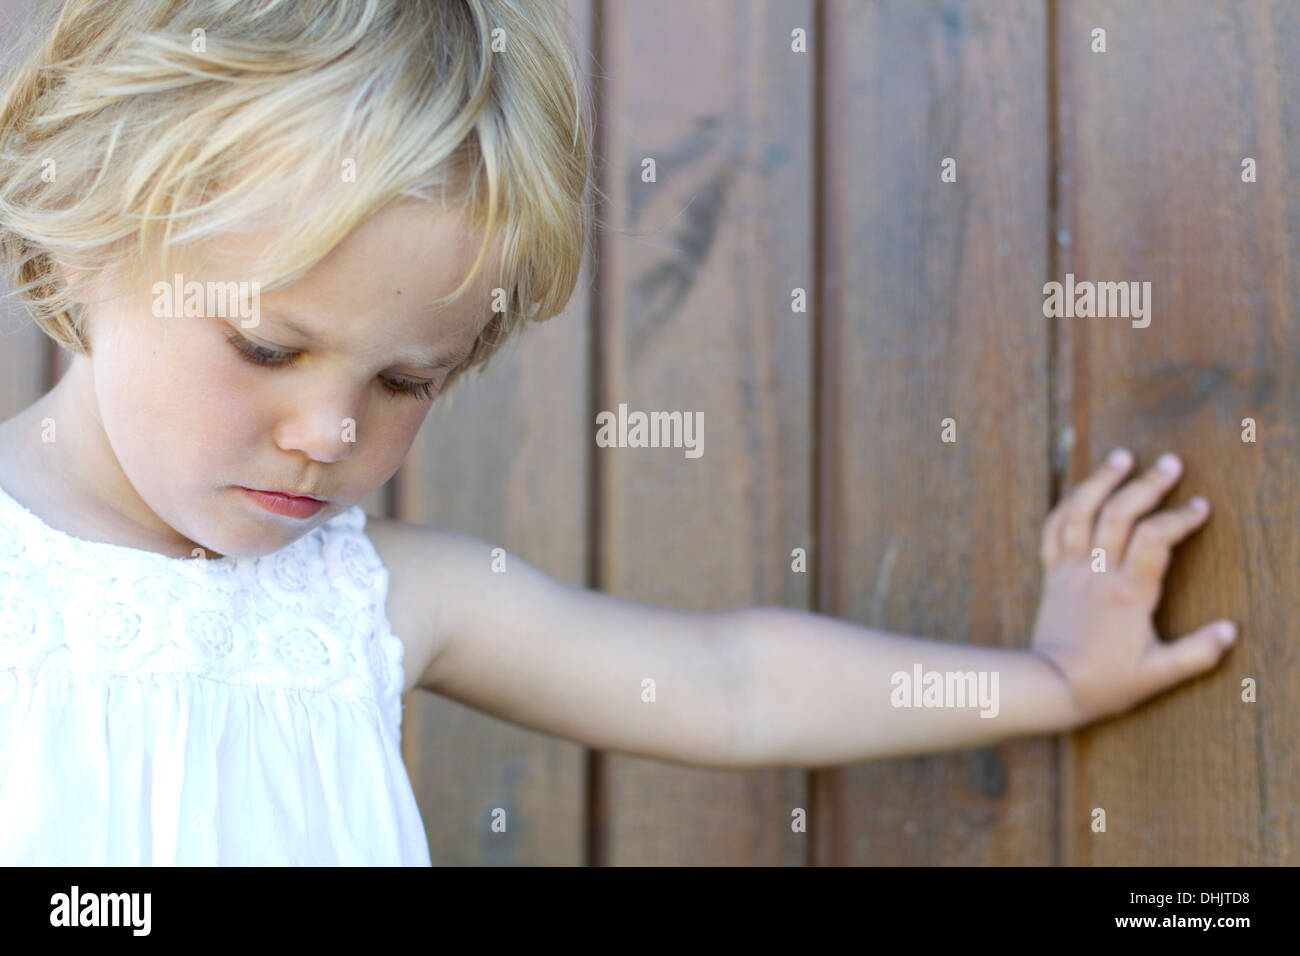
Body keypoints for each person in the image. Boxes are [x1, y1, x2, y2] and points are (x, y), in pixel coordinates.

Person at [0, 0, 1235, 865]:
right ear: (75, 237)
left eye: (409, 379)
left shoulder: (372, 598)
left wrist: (1052, 678)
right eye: (267, 347)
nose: (330, 429)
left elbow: (730, 687)